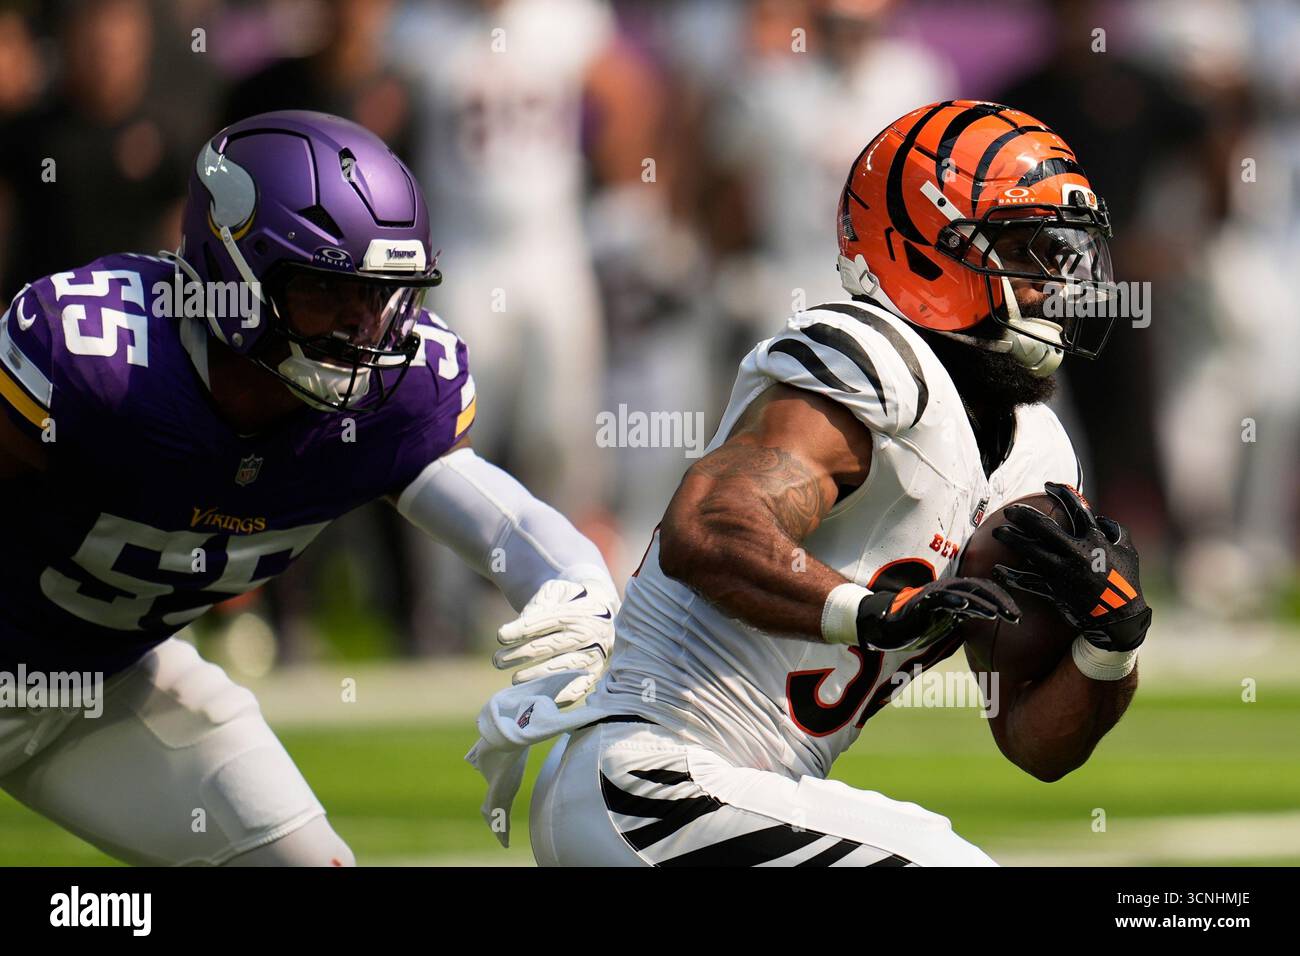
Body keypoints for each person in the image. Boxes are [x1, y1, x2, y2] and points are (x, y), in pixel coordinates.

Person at [513, 101, 1153, 866]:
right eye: (1023, 251)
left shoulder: (1038, 456)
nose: (1052, 284)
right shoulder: (873, 362)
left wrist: (1110, 646)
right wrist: (867, 612)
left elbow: (1035, 744)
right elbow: (708, 526)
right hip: (650, 771)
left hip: (748, 795)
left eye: (1062, 256)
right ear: (926, 251)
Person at [0, 111, 618, 866]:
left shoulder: (395, 396)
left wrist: (577, 581)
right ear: (234, 271)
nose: (363, 330)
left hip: (108, 686)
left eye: (380, 296)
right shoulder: (99, 362)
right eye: (329, 289)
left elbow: (496, 518)